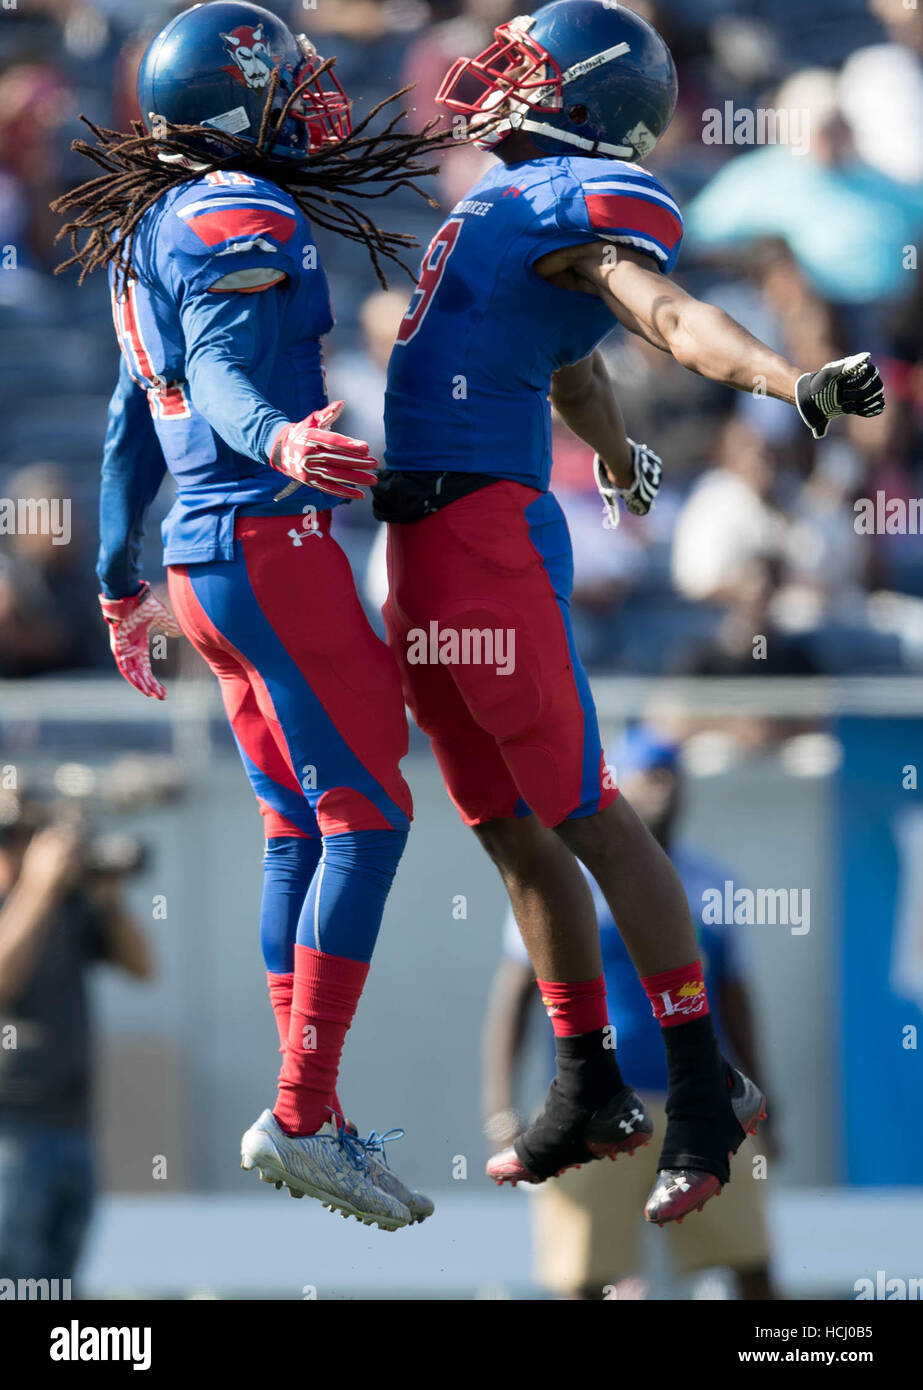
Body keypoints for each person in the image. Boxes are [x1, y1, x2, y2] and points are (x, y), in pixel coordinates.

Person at [376, 0, 884, 1224]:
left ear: (583, 102)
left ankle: (704, 1090)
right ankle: (589, 1078)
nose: (497, 76)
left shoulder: (577, 205)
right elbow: (570, 359)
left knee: (588, 813)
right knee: (503, 822)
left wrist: (783, 379)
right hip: (426, 541)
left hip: (486, 536)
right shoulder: (505, 207)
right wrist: (608, 456)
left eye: (529, 65)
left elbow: (658, 317)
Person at [51, 1, 449, 1231]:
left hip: (198, 562)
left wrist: (119, 582)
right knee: (371, 814)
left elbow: (129, 424)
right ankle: (299, 1108)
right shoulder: (240, 206)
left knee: (299, 826)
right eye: (285, 81)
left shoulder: (148, 225)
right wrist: (277, 434)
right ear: (233, 104)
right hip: (266, 542)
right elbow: (221, 368)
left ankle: (309, 1113)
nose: (310, 97)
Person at [483, 728, 777, 1299]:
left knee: (752, 1267)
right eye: (648, 773)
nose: (663, 787)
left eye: (672, 773)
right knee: (585, 1279)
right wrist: (500, 1112)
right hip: (603, 1104)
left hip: (700, 1097)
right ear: (615, 786)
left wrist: (768, 1095)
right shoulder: (565, 884)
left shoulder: (715, 881)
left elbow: (736, 998)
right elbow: (513, 1001)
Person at [0, 793, 152, 1289]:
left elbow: (142, 966)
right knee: (14, 1277)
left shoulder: (66, 908)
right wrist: (38, 889)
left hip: (74, 1125)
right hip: (12, 1132)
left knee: (59, 1283)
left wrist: (106, 897)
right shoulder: (26, 903)